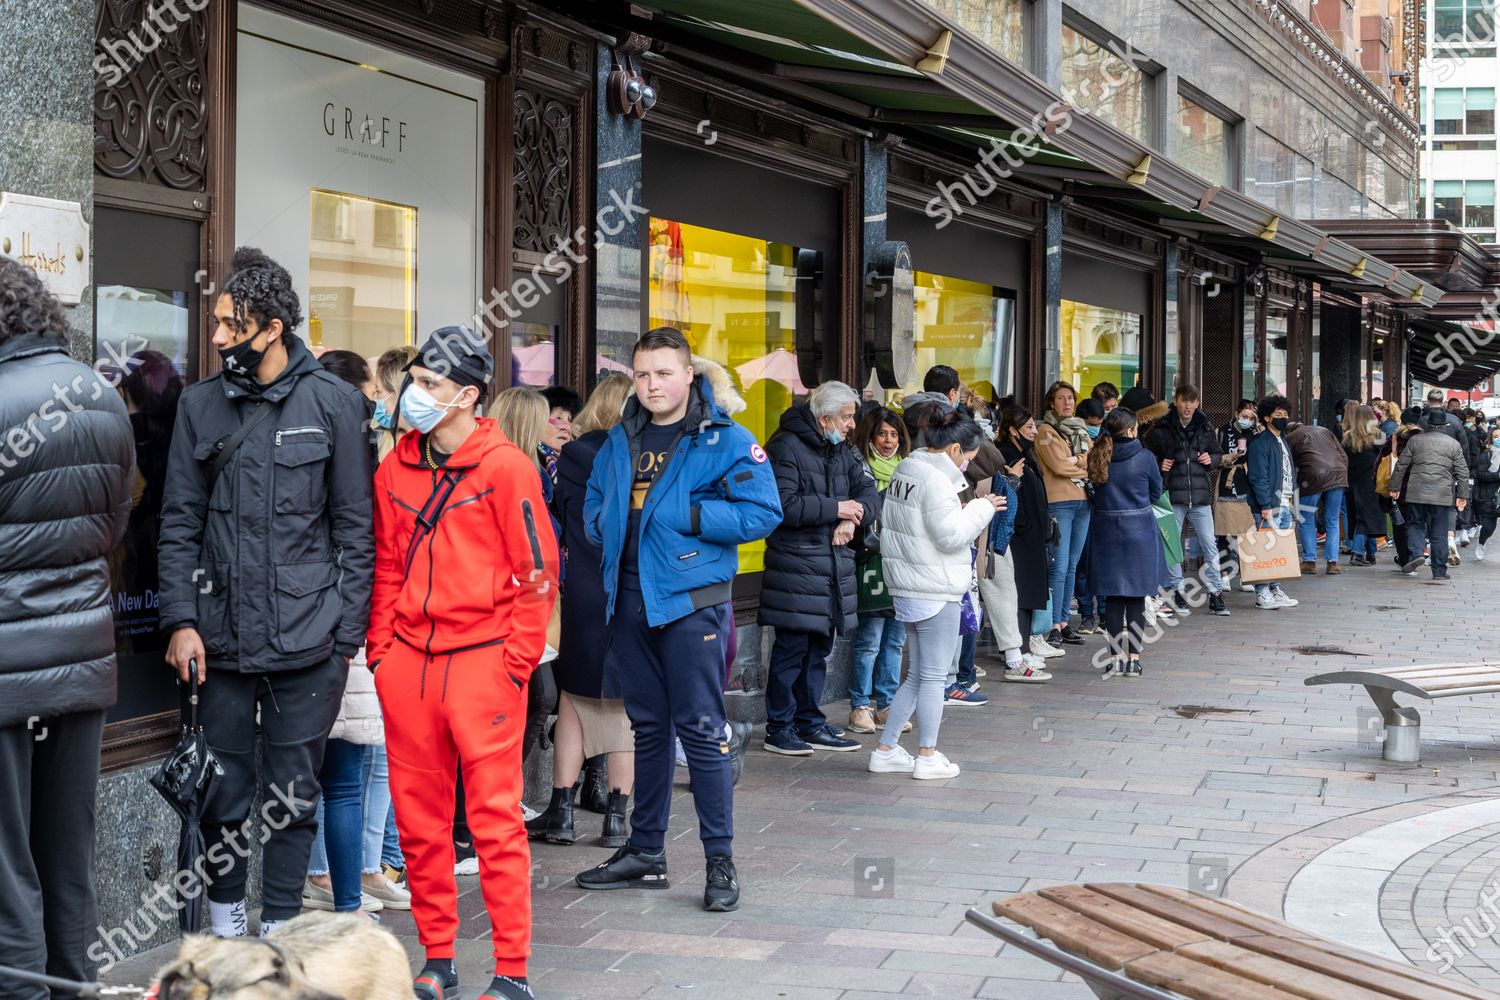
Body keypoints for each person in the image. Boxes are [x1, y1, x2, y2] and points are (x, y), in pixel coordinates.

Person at [158, 248, 374, 938]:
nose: (219, 336)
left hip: (310, 645)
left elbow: (356, 529)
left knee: (291, 797)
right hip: (217, 642)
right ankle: (226, 930)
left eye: (232, 324)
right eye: (218, 322)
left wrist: (343, 639)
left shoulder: (336, 403)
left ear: (273, 327)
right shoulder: (199, 405)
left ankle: (281, 933)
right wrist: (180, 620)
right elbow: (178, 522)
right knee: (222, 793)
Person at [367, 326, 558, 1000]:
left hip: (483, 664)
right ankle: (438, 959)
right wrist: (382, 652)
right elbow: (387, 566)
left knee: (494, 821)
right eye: (413, 381)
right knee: (419, 826)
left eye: (429, 385)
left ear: (469, 396)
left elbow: (537, 574)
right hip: (410, 666)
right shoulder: (394, 469)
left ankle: (511, 972)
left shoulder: (508, 468)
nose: (414, 395)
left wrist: (513, 664)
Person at [578, 327, 781, 912]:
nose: (651, 385)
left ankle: (720, 862)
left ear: (689, 375)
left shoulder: (725, 439)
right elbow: (595, 503)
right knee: (647, 729)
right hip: (630, 602)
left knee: (701, 729)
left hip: (693, 605)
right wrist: (603, 526)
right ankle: (646, 854)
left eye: (663, 373)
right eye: (641, 374)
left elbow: (763, 511)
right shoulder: (620, 439)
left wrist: (689, 514)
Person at [0, 258, 134, 991]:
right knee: (65, 849)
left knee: (6, 860)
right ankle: (75, 981)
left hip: (9, 664)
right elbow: (114, 524)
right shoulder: (101, 397)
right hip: (81, 658)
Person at [529, 375, 637, 849]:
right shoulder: (645, 452)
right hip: (635, 590)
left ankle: (562, 812)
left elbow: (564, 510)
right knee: (627, 707)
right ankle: (616, 819)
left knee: (572, 699)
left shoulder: (578, 453)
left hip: (586, 593)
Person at [867, 409, 1002, 780]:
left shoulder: (906, 469)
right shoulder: (938, 481)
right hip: (934, 586)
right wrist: (982, 508)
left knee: (917, 674)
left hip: (910, 584)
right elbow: (950, 535)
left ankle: (886, 749)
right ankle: (926, 754)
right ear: (955, 449)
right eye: (969, 458)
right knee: (933, 676)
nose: (968, 466)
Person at [760, 381, 880, 755]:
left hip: (831, 568)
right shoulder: (785, 446)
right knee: (791, 651)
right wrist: (837, 510)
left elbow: (869, 491)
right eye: (846, 417)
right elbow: (780, 505)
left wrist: (853, 517)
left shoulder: (841, 449)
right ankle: (779, 727)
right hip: (796, 569)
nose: (851, 425)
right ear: (824, 417)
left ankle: (810, 721)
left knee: (818, 651)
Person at [1086, 407, 1168, 678]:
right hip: (1139, 532)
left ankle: (1114, 658)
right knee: (1135, 597)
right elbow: (1156, 493)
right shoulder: (1145, 457)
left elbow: (1094, 491)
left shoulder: (1097, 454)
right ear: (1132, 429)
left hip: (1106, 530)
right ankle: (1133, 659)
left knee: (1111, 599)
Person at [847, 408, 913, 733]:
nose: (888, 441)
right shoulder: (860, 469)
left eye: (894, 435)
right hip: (872, 560)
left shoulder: (909, 471)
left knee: (895, 641)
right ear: (870, 436)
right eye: (882, 434)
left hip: (903, 562)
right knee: (870, 639)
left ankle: (886, 705)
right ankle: (860, 705)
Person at [1142, 385, 1227, 616]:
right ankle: (1176, 591)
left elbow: (1218, 454)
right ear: (1176, 402)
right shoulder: (1161, 427)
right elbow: (1145, 454)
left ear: (1198, 403)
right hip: (1172, 495)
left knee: (1210, 544)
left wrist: (1212, 459)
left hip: (1200, 497)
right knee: (1172, 545)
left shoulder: (1205, 426)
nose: (1188, 406)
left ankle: (1216, 593)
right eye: (1184, 401)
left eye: (1192, 401)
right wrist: (1159, 464)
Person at [995, 406, 1056, 664]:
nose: (1034, 431)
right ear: (1012, 429)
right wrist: (1025, 525)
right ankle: (1017, 651)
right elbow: (1009, 496)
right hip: (1019, 538)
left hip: (1032, 536)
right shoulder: (1009, 456)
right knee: (1019, 594)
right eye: (1029, 426)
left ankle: (1025, 647)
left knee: (1028, 594)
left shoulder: (1027, 455)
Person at [1034, 381, 1092, 648]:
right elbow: (1057, 466)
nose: (1067, 403)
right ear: (1051, 403)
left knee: (1072, 565)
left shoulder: (1080, 427)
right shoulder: (1045, 430)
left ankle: (1065, 622)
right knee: (1058, 566)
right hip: (1059, 503)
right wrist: (1081, 461)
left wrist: (1076, 462)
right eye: (1061, 398)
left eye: (1070, 398)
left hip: (1083, 502)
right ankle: (1053, 625)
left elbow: (1096, 461)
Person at [1390, 409, 1470, 581]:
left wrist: (1394, 487)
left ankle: (1417, 553)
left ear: (1427, 424)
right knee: (1439, 532)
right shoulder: (1453, 444)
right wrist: (1462, 495)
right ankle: (1439, 571)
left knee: (1415, 525)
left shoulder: (1415, 441)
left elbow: (1401, 465)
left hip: (1416, 492)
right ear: (1445, 425)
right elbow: (1463, 472)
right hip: (1442, 494)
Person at [1244, 395, 1299, 611]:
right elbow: (1259, 477)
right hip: (1270, 505)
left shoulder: (1282, 441)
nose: (1283, 418)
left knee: (1277, 551)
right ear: (1267, 417)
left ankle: (1275, 589)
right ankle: (1262, 593)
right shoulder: (1260, 444)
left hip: (1284, 502)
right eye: (1278, 415)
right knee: (1265, 549)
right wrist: (1265, 505)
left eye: (1285, 414)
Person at [1216, 399, 1258, 590]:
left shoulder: (1256, 433)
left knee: (1247, 533)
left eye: (1251, 417)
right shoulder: (1222, 432)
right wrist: (1229, 457)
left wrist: (1257, 426)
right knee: (1224, 532)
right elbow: (1214, 458)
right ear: (1236, 413)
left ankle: (1246, 575)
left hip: (1247, 484)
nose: (1247, 420)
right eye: (1244, 416)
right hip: (1226, 483)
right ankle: (1224, 575)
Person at [1073, 398, 1106, 633]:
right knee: (1082, 562)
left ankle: (1104, 614)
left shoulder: (1107, 440)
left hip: (1102, 506)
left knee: (1102, 562)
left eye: (1098, 423)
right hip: (1080, 503)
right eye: (1090, 423)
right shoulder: (1069, 439)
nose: (1094, 427)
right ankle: (1087, 614)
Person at [1343, 405, 1385, 567]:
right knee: (1368, 518)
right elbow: (1385, 458)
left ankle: (1371, 553)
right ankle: (1357, 553)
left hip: (1353, 482)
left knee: (1362, 516)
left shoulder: (1347, 437)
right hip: (1371, 482)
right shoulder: (1378, 435)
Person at [539, 385, 583, 485]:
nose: (566, 427)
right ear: (539, 421)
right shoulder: (531, 462)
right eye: (559, 418)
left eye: (569, 420)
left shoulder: (578, 461)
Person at [1475, 424, 1500, 561]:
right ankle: (1481, 543)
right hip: (1490, 497)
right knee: (1488, 527)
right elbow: (1481, 475)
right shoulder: (1486, 455)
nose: (1499, 439)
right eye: (1496, 437)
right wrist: (1497, 476)